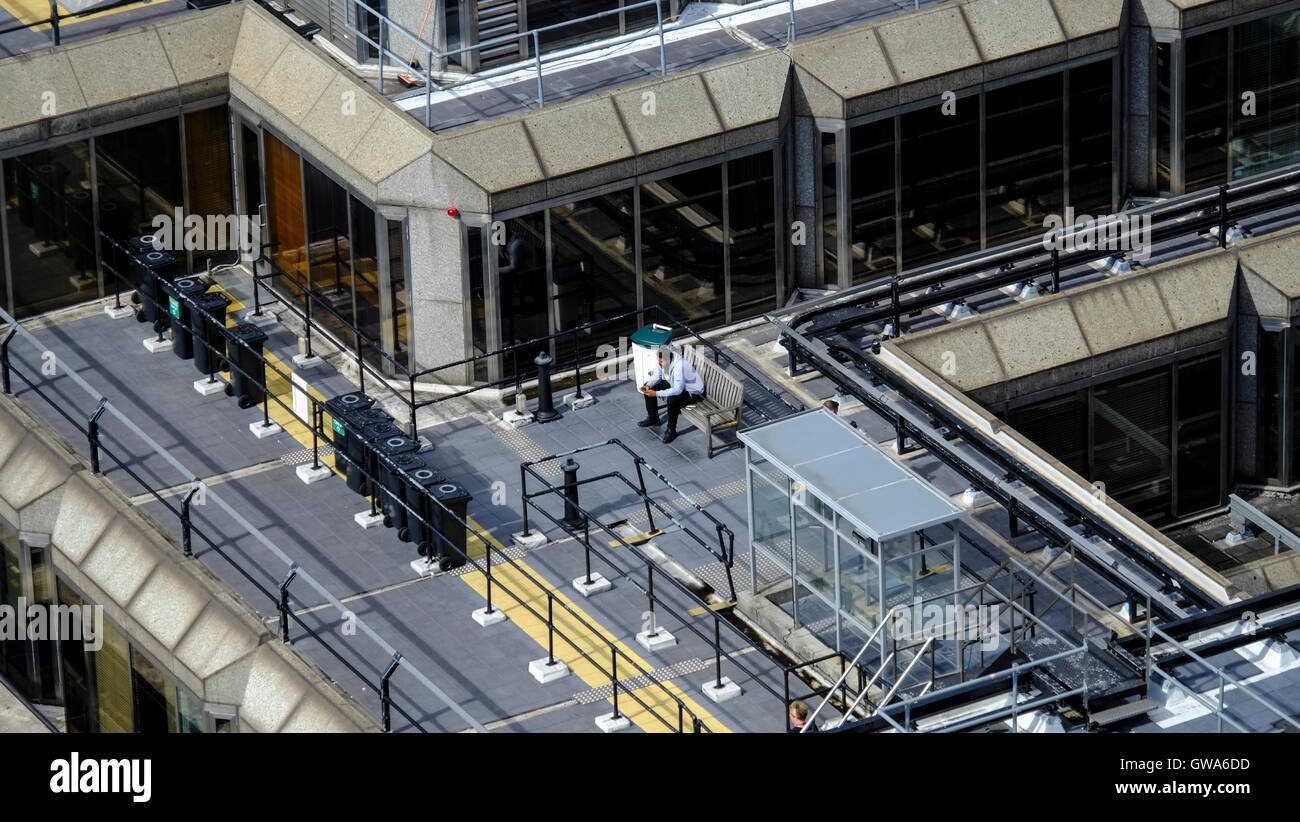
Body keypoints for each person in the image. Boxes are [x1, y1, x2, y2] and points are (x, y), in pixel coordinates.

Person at [638, 345, 706, 445]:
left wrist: (656, 393)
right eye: (658, 361)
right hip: (677, 385)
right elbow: (657, 376)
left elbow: (677, 390)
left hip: (693, 393)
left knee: (672, 400)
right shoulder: (662, 361)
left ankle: (671, 431)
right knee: (649, 387)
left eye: (662, 362)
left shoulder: (680, 366)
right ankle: (653, 418)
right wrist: (648, 385)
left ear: (669, 359)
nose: (659, 364)